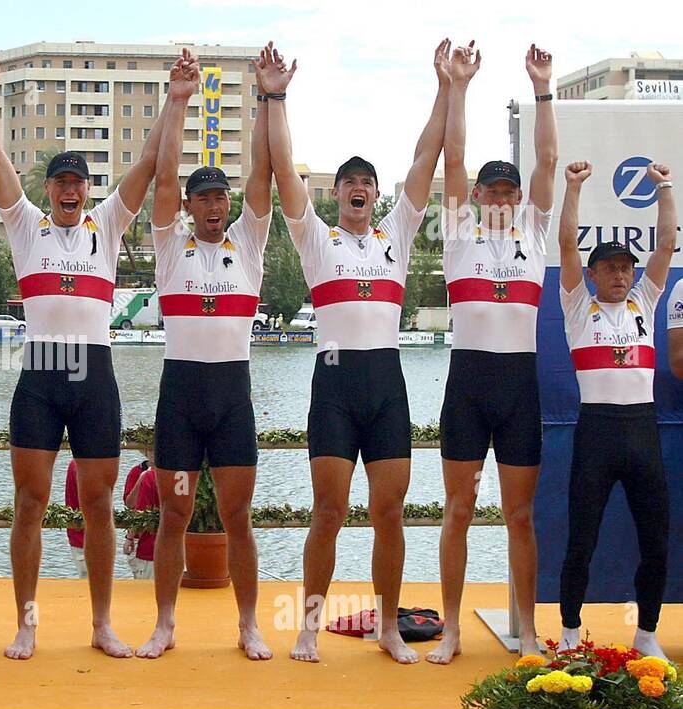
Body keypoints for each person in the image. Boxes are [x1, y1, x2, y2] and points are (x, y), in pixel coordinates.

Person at [0, 51, 189, 660]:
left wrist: (175, 98)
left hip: (95, 373)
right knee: (31, 504)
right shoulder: (24, 224)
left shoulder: (110, 225)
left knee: (97, 503)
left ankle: (101, 625)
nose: (69, 191)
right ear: (48, 190)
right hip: (41, 371)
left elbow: (147, 164)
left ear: (88, 191)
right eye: (60, 183)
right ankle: (26, 624)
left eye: (78, 184)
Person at [266, 40, 451, 664]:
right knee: (328, 510)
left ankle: (390, 628)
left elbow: (427, 155)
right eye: (348, 183)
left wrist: (445, 85)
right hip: (336, 383)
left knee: (389, 512)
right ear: (336, 196)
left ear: (375, 196)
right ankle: (308, 627)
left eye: (366, 183)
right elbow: (285, 168)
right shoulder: (316, 242)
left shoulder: (397, 233)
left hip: (386, 385)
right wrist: (276, 95)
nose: (357, 189)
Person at [135, 47, 272, 661]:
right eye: (204, 199)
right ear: (190, 208)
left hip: (232, 398)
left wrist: (270, 99)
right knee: (175, 512)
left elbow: (264, 178)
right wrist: (181, 100)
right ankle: (165, 624)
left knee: (239, 518)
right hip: (183, 397)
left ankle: (248, 625)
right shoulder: (170, 247)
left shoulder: (249, 243)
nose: (215, 206)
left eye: (222, 198)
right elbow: (163, 176)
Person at [429, 43, 557, 664]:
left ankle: (527, 630)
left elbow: (549, 160)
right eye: (494, 191)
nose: (504, 200)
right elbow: (453, 155)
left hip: (519, 388)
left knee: (521, 516)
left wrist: (542, 86)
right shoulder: (457, 234)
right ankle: (450, 628)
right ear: (479, 198)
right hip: (468, 385)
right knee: (457, 509)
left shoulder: (533, 233)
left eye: (511, 192)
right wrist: (459, 86)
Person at [557, 159, 674, 659]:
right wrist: (574, 187)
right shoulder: (578, 306)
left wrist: (664, 188)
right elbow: (565, 244)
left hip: (642, 431)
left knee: (656, 543)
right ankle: (567, 634)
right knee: (581, 541)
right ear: (593, 273)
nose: (621, 275)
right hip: (597, 432)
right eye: (610, 267)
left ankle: (646, 634)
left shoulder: (645, 300)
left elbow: (666, 244)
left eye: (626, 267)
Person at [122, 451, 158, 581]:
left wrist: (129, 538)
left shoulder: (150, 477)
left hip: (149, 546)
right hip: (176, 547)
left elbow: (140, 513)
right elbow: (130, 503)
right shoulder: (183, 473)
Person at [64, 458, 88, 579]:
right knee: (88, 580)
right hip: (82, 535)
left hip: (80, 534)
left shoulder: (76, 465)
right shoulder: (80, 466)